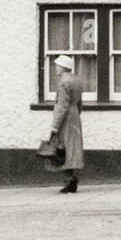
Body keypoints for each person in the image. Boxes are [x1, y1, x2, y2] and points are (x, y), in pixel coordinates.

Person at [47, 54, 85, 193]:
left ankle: (70, 179)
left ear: (63, 67)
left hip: (66, 116)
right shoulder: (76, 81)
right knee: (73, 147)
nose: (56, 68)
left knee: (63, 148)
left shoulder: (64, 82)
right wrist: (76, 114)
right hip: (74, 114)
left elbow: (62, 106)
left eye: (57, 66)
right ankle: (72, 177)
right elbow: (80, 102)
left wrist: (54, 126)